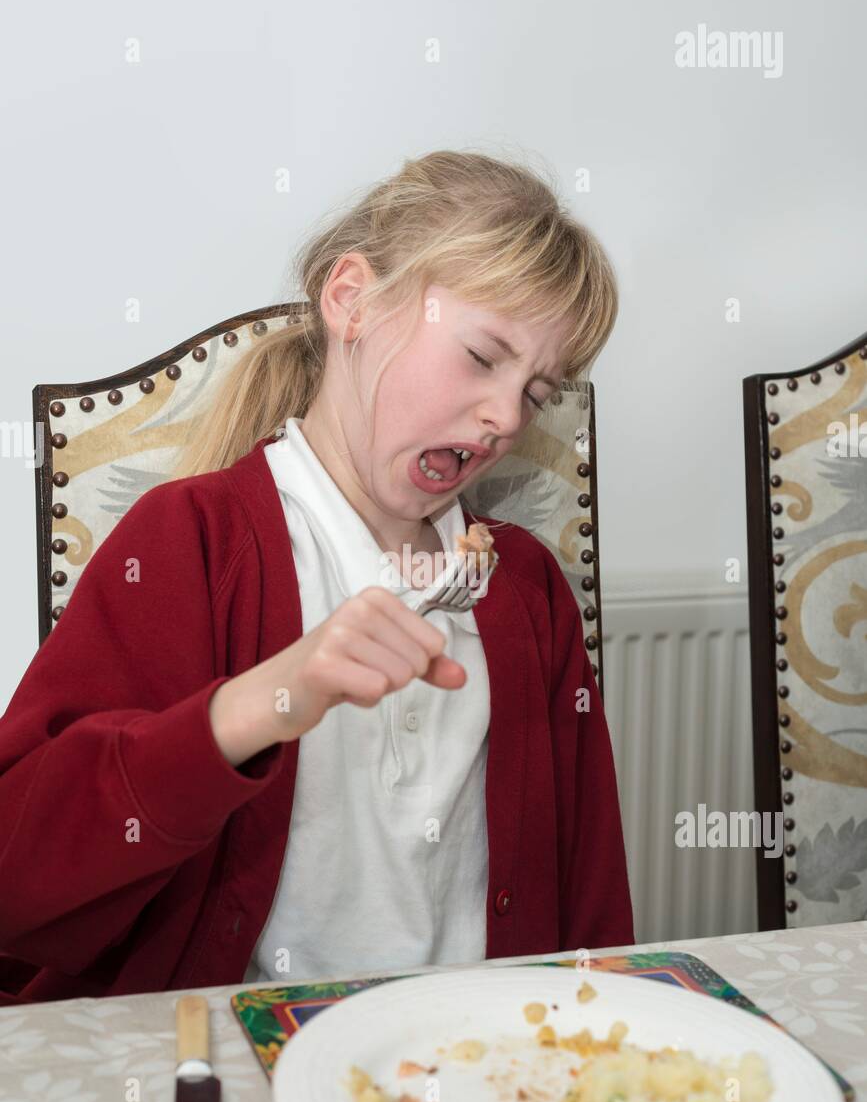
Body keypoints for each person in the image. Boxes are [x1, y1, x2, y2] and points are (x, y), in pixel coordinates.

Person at [0, 149, 634, 1005]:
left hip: (482, 1061)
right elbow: (19, 876)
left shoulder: (522, 586)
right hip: (246, 1053)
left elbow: (590, 897)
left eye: (537, 391)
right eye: (483, 357)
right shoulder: (191, 540)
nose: (503, 419)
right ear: (352, 301)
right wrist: (259, 702)